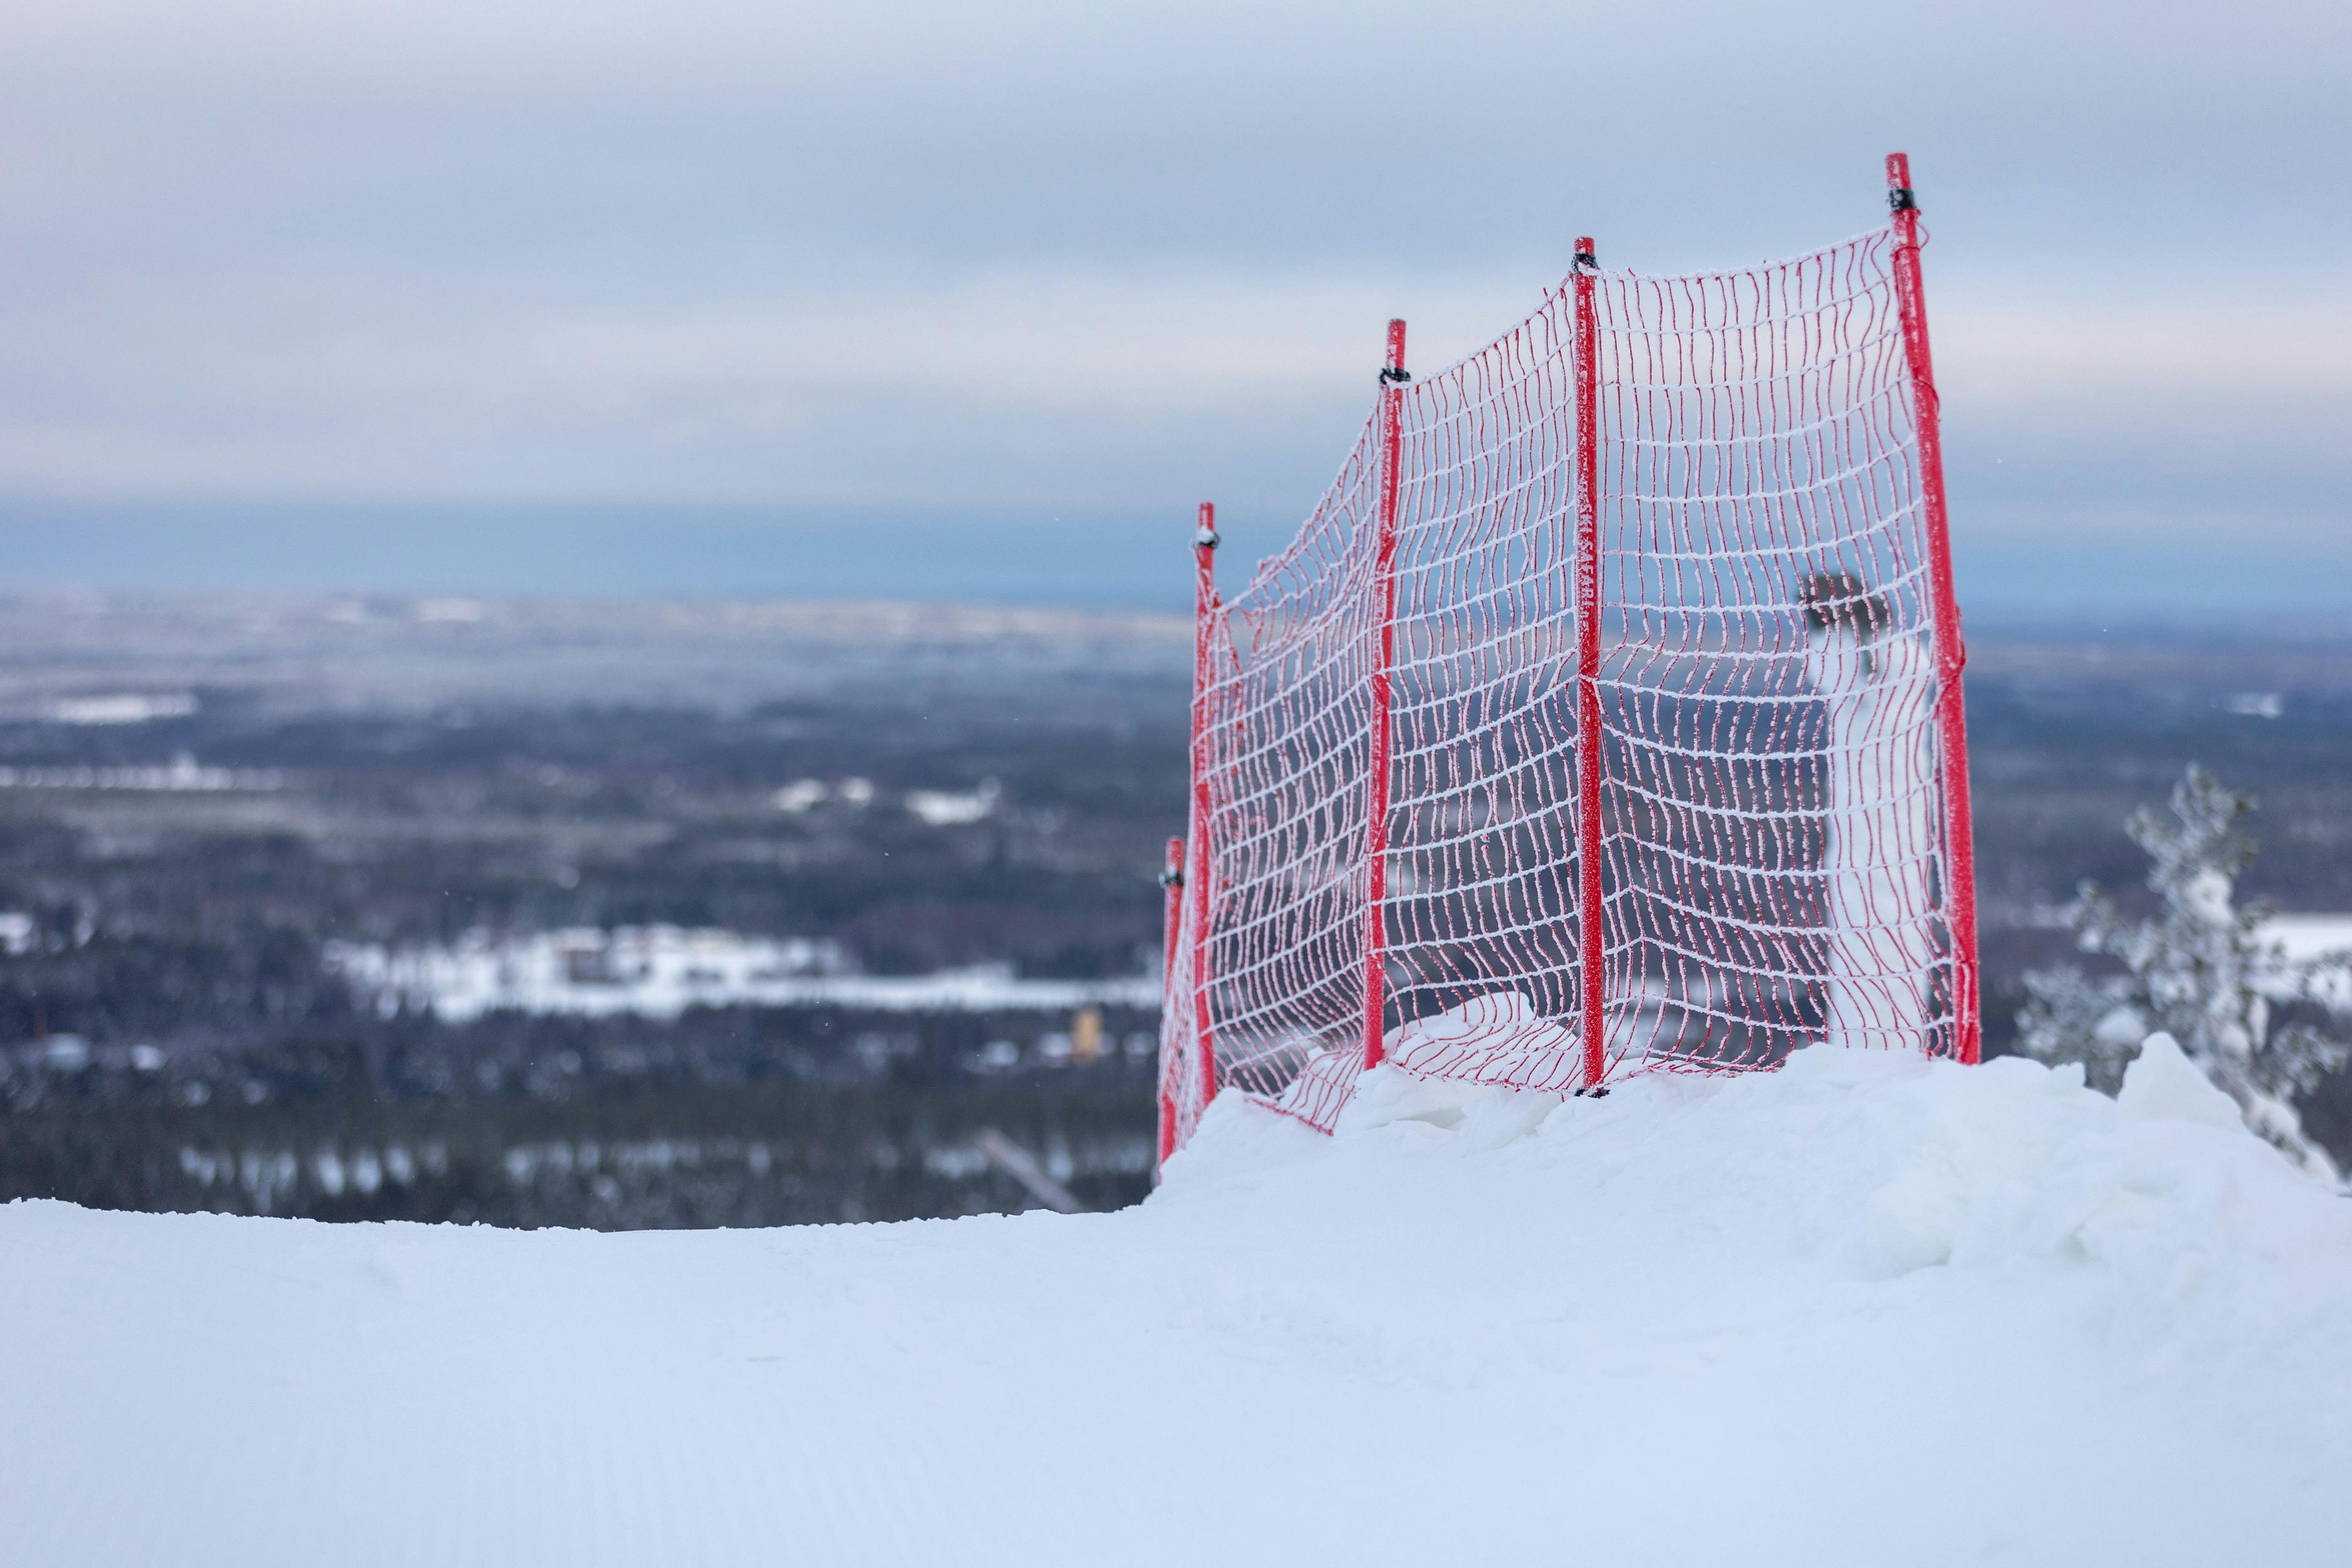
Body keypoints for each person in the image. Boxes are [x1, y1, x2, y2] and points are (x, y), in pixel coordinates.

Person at [1797, 569, 1942, 1051]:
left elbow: (1848, 677)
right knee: (1878, 932)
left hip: (1884, 826)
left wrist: (1843, 640)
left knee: (1882, 931)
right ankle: (1877, 1055)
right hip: (1881, 826)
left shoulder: (1876, 667)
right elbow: (1849, 676)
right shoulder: (1888, 665)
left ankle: (1879, 1057)